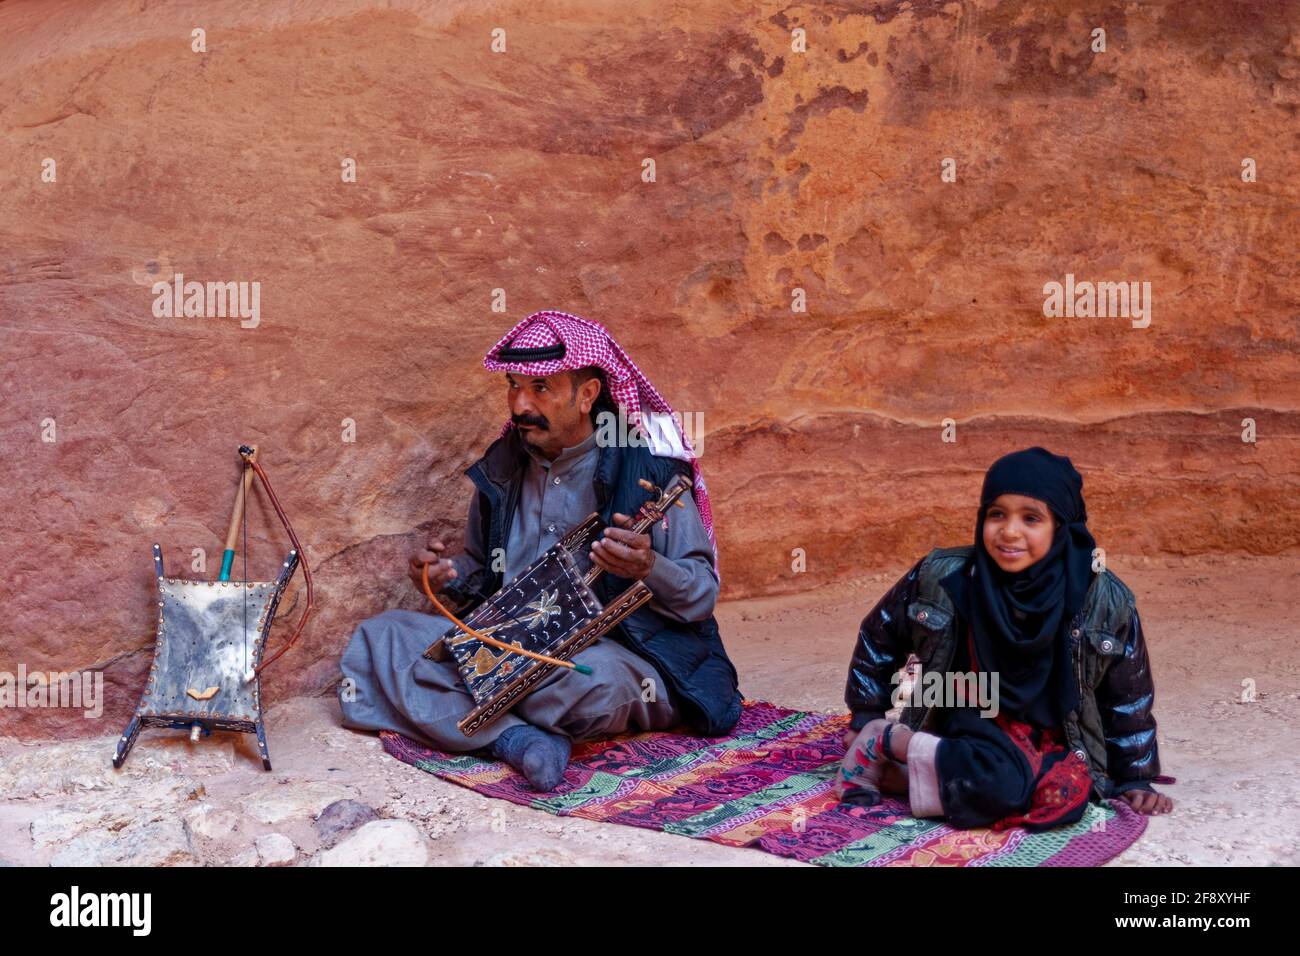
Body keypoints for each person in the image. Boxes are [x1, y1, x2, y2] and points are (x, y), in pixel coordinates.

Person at [338, 310, 742, 791]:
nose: (520, 404)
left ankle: (475, 720)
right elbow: (482, 572)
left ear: (587, 393)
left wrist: (648, 566)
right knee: (378, 639)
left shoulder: (648, 470)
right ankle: (517, 740)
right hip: (511, 642)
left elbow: (700, 595)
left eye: (540, 388)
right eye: (513, 385)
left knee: (589, 685)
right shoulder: (505, 466)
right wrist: (445, 576)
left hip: (613, 653)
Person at [839, 447, 1172, 830]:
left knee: (1067, 793)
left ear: (1061, 527)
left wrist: (1135, 775)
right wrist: (865, 713)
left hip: (1055, 735)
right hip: (967, 716)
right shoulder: (945, 577)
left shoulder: (1105, 600)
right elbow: (879, 634)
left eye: (1031, 518)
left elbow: (1128, 696)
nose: (1009, 531)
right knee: (1005, 787)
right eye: (997, 514)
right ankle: (884, 739)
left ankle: (901, 771)